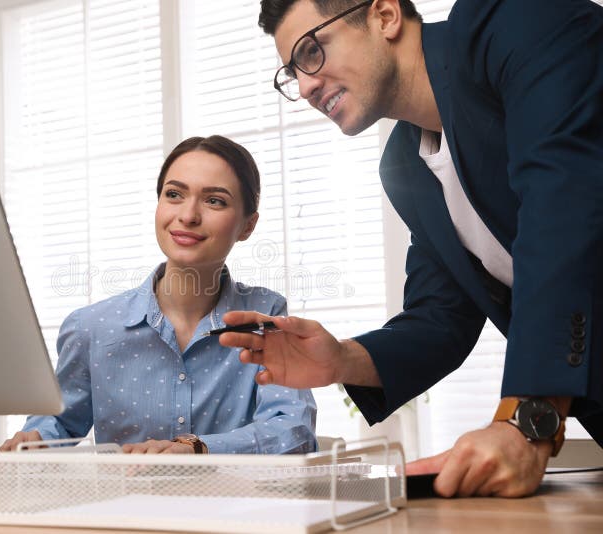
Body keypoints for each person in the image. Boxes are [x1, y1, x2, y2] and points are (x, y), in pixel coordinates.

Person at [219, 0, 603, 496]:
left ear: (384, 15)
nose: (307, 86)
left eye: (312, 51)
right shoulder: (404, 165)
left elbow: (564, 210)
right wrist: (343, 358)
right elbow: (440, 318)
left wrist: (527, 420)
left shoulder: (515, 22)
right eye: (292, 74)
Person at [0, 135, 317, 455]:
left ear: (248, 226)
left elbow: (294, 429)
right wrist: (35, 438)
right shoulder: (90, 327)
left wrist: (198, 449)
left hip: (234, 504)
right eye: (174, 194)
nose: (188, 215)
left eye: (214, 200)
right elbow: (60, 424)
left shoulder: (266, 315)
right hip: (121, 505)